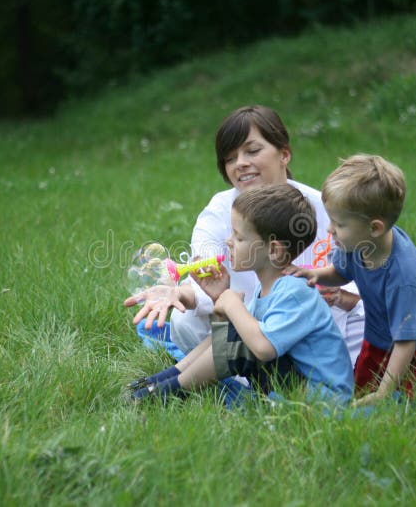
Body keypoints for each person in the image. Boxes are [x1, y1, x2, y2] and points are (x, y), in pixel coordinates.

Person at [125, 105, 364, 365]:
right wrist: (179, 293)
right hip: (245, 326)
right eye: (230, 158)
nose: (240, 163)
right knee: (184, 321)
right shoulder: (218, 213)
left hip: (315, 329)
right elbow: (203, 278)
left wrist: (339, 296)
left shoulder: (323, 208)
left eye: (252, 151)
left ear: (284, 154)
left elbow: (363, 286)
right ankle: (239, 372)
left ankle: (236, 375)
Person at [127, 184, 354, 406]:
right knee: (238, 334)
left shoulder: (294, 292)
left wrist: (232, 305)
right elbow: (226, 339)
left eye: (239, 237)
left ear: (274, 250)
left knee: (243, 341)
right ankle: (161, 382)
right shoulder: (267, 288)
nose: (229, 242)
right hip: (295, 386)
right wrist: (221, 298)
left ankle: (165, 394)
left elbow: (263, 348)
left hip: (323, 400)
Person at [292, 154, 416, 407]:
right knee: (358, 392)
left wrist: (384, 392)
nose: (329, 230)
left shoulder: (404, 276)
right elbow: (342, 272)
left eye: (339, 223)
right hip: (380, 332)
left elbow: (406, 342)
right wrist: (318, 275)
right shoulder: (356, 244)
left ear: (375, 228)